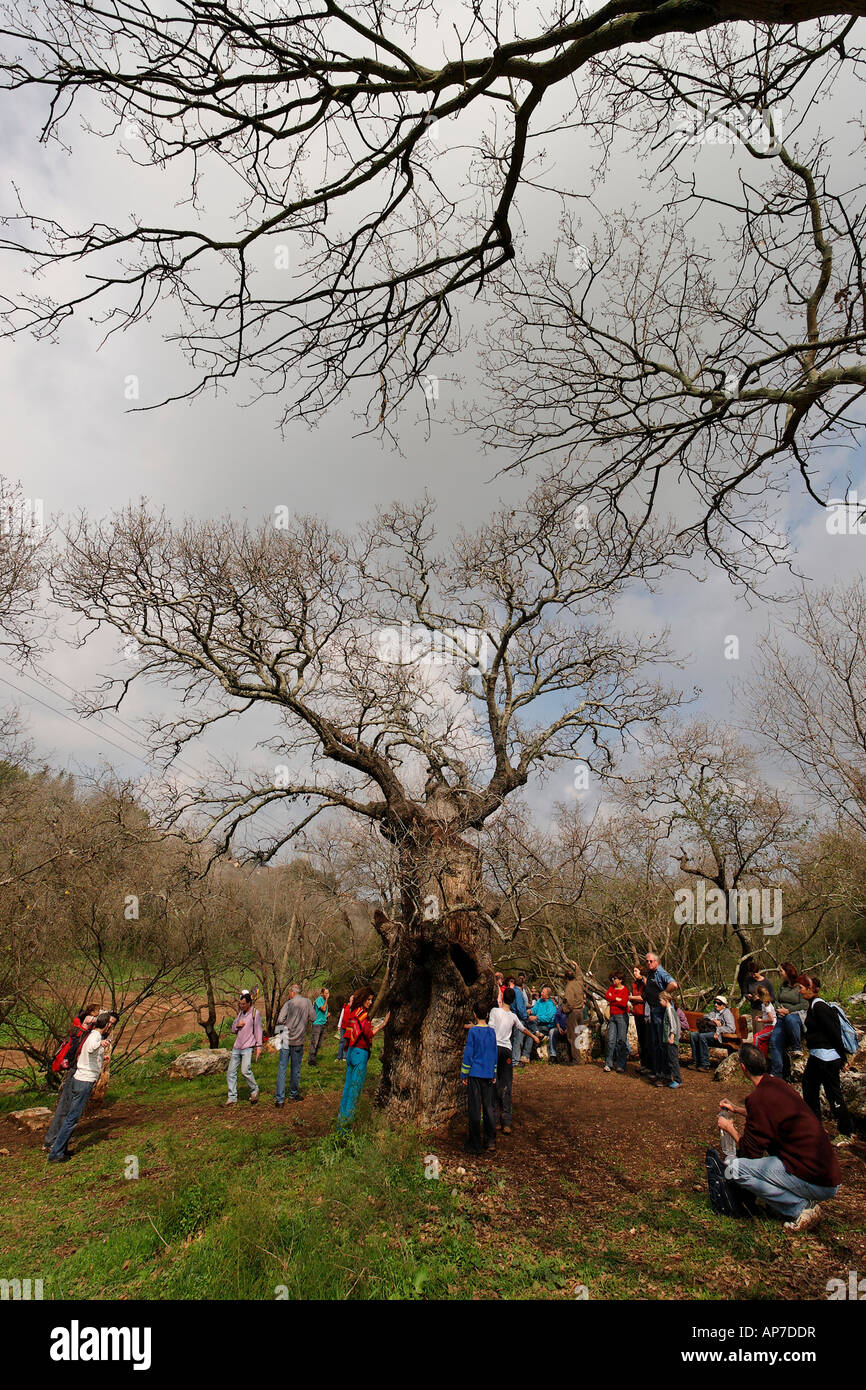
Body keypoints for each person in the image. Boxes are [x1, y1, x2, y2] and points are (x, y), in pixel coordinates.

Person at [717, 1044, 843, 1232]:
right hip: (828, 1172)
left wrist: (729, 1129)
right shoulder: (777, 1084)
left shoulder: (758, 1099)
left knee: (734, 1169)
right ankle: (790, 1201)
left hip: (816, 1179)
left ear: (743, 1068)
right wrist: (736, 1109)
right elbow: (765, 1112)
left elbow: (750, 1153)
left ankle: (800, 1208)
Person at [47, 1012, 115, 1163]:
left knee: (71, 1117)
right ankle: (55, 1154)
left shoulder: (91, 1034)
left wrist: (102, 1055)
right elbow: (91, 1048)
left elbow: (88, 1053)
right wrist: (101, 1044)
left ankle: (61, 1149)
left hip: (80, 1078)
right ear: (104, 1024)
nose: (110, 1026)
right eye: (109, 1024)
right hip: (84, 1081)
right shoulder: (95, 1037)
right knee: (72, 1119)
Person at [799, 976, 854, 1147]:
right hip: (817, 1056)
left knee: (833, 1093)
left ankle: (846, 1132)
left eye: (801, 987)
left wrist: (843, 1058)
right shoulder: (813, 1006)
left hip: (827, 1059)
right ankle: (815, 1127)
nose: (799, 991)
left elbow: (834, 1033)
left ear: (810, 988)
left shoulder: (820, 1007)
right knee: (809, 1088)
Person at [43, 1003, 99, 1155]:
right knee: (66, 1106)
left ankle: (58, 1138)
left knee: (67, 1106)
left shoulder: (80, 1024)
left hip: (77, 1068)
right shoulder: (86, 1024)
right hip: (76, 1069)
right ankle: (52, 1141)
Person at [489, 988, 541, 1134]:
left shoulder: (494, 1011)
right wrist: (534, 1037)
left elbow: (490, 1028)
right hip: (506, 1050)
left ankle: (496, 1120)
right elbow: (522, 1028)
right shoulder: (512, 1016)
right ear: (512, 1002)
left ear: (503, 998)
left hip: (494, 1049)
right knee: (506, 1085)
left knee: (494, 1083)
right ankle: (507, 1121)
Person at [336, 988, 389, 1131]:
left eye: (372, 1000)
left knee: (347, 1090)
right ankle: (347, 1128)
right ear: (363, 998)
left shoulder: (352, 1012)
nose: (371, 1002)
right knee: (354, 1091)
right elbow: (369, 1033)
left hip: (351, 1053)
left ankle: (340, 1126)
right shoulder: (363, 1015)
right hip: (360, 1053)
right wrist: (383, 1024)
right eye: (369, 999)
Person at [461, 1002, 498, 1155]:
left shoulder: (473, 1032)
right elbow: (494, 1053)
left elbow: (469, 1053)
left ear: (475, 1015)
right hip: (489, 1074)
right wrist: (494, 1073)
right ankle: (490, 1140)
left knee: (475, 1109)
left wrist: (464, 1073)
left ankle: (474, 1144)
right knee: (489, 1108)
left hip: (475, 1074)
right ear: (487, 1015)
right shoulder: (492, 1032)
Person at [274, 984, 315, 1105]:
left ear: (292, 992)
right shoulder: (307, 1002)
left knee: (282, 1068)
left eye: (289, 993)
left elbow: (280, 1020)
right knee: (295, 1068)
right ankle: (293, 1094)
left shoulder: (288, 1003)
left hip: (286, 1037)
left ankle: (279, 1100)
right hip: (299, 1039)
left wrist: (281, 1032)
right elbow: (314, 1017)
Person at [643, 952, 677, 1085]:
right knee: (656, 1043)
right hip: (653, 1011)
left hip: (661, 1012)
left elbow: (673, 984)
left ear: (657, 962)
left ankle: (666, 1075)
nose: (649, 963)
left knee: (663, 1044)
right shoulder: (650, 973)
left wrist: (664, 994)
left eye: (651, 961)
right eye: (647, 961)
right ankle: (658, 1072)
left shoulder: (661, 973)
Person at [769, 965, 807, 1078]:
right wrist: (779, 1009)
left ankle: (797, 1047)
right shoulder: (783, 986)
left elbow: (804, 1004)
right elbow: (776, 1000)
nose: (779, 973)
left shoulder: (800, 986)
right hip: (781, 1017)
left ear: (787, 971)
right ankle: (776, 1073)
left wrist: (788, 1010)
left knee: (790, 1019)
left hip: (796, 1016)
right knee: (774, 1041)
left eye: (781, 971)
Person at [226, 988, 263, 1106]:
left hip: (248, 1046)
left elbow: (258, 1030)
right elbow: (233, 1029)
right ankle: (232, 1098)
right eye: (240, 1004)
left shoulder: (255, 1014)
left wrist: (259, 1047)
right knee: (231, 1072)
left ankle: (254, 1090)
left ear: (249, 1003)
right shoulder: (240, 1014)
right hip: (237, 1046)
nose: (241, 1006)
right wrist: (237, 1025)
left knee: (245, 1071)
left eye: (243, 1004)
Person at [688, 994, 735, 1071]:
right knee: (693, 1035)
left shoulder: (727, 1013)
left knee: (702, 1036)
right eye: (715, 1003)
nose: (716, 1005)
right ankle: (695, 1062)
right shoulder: (714, 1011)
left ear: (724, 1005)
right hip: (709, 1031)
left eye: (719, 1003)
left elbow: (731, 1028)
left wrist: (718, 1030)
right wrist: (714, 1020)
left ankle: (705, 1064)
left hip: (719, 1035)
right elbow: (705, 1016)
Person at [604, 971, 630, 1074]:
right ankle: (608, 1063)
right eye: (613, 979)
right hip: (612, 1016)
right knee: (611, 1040)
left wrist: (613, 999)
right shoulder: (611, 988)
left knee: (621, 1040)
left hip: (622, 1017)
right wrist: (616, 998)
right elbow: (607, 996)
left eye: (615, 979)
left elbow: (623, 1003)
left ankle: (621, 1064)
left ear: (620, 980)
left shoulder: (625, 990)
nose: (613, 980)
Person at [561, 965, 585, 1064]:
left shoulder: (569, 987)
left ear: (566, 979)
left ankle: (576, 1059)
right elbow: (580, 976)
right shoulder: (579, 983)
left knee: (572, 1036)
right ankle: (576, 1058)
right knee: (577, 1035)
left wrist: (564, 1009)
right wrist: (577, 967)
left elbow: (569, 1003)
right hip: (580, 1012)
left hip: (573, 1013)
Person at [659, 989, 682, 1088]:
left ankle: (678, 1080)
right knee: (667, 1059)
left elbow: (673, 1025)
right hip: (667, 1040)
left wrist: (672, 1036)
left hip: (671, 1040)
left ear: (665, 1000)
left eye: (660, 1000)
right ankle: (667, 1077)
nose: (660, 1002)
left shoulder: (670, 1010)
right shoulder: (667, 1010)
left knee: (673, 1060)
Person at [509, 975, 533, 1065]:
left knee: (512, 1039)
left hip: (510, 1017)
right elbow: (520, 1007)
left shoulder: (511, 991)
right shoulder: (518, 993)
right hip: (518, 1018)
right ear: (522, 985)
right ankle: (515, 1060)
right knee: (518, 1040)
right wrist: (525, 1017)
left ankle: (511, 1059)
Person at [529, 986, 557, 1058]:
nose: (541, 993)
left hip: (546, 1026)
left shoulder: (550, 1005)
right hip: (537, 1023)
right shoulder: (539, 1001)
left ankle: (530, 1053)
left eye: (543, 992)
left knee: (531, 1030)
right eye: (541, 992)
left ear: (548, 995)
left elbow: (548, 1018)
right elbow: (534, 1009)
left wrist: (537, 1017)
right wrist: (530, 1011)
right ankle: (536, 1032)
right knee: (529, 1025)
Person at [308, 986, 330, 1066]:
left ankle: (314, 1057)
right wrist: (327, 1000)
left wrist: (326, 1015)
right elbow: (323, 1009)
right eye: (326, 993)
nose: (327, 995)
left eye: (328, 993)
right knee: (315, 1042)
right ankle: (311, 1060)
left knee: (319, 1043)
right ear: (322, 994)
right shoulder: (319, 1000)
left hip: (323, 1023)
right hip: (317, 1024)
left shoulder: (325, 1001)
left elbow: (324, 1012)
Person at [753, 985, 777, 1057]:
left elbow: (771, 1019)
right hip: (768, 1027)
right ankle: (764, 1057)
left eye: (756, 994)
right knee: (764, 1043)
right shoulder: (764, 1004)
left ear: (759, 995)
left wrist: (761, 1020)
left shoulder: (766, 1005)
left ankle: (755, 1055)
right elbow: (769, 1014)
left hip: (772, 1027)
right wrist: (761, 1016)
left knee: (757, 1037)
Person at [336, 994, 354, 1062]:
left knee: (347, 1042)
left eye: (353, 998)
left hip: (349, 1027)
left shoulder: (354, 1007)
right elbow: (341, 1016)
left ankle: (345, 1056)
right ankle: (339, 1056)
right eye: (351, 998)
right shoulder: (345, 1006)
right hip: (343, 1026)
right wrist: (339, 1025)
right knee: (342, 1041)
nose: (352, 999)